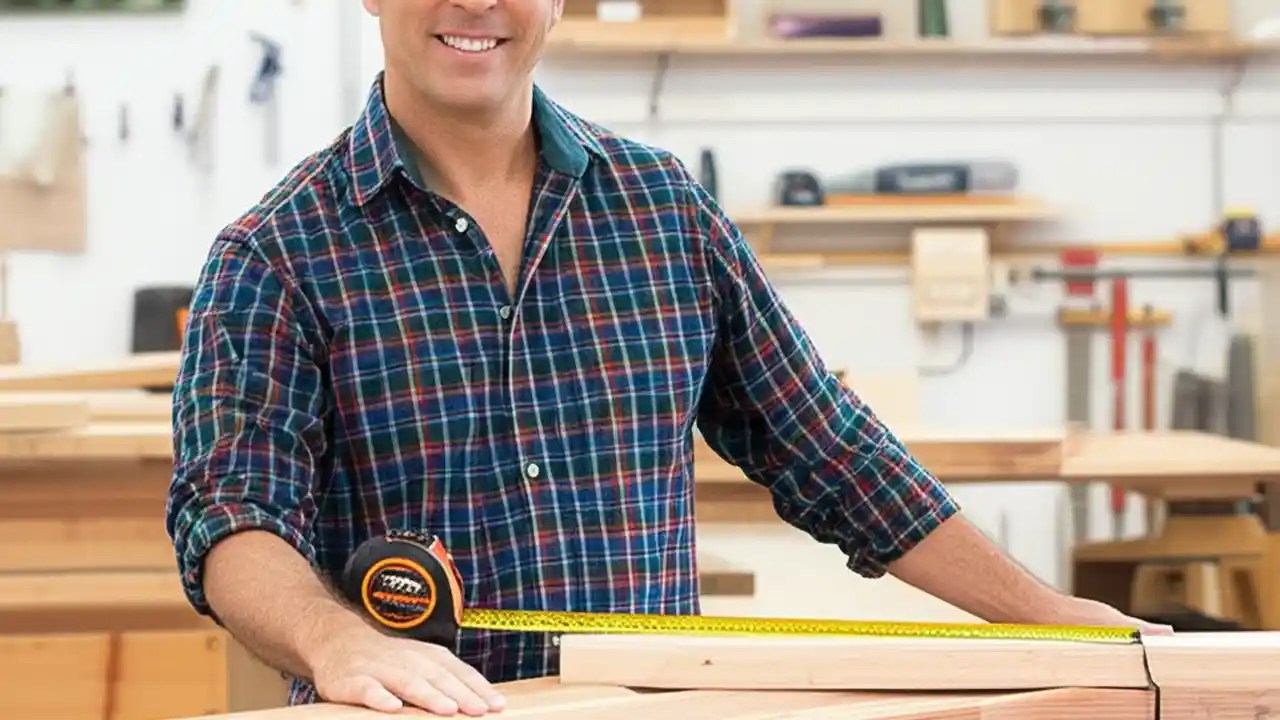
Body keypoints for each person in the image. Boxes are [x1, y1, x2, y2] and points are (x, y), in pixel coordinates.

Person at [165, 0, 1170, 717]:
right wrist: (336, 639)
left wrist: (1043, 615)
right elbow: (233, 519)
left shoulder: (663, 212)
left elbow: (825, 447)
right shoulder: (275, 255)